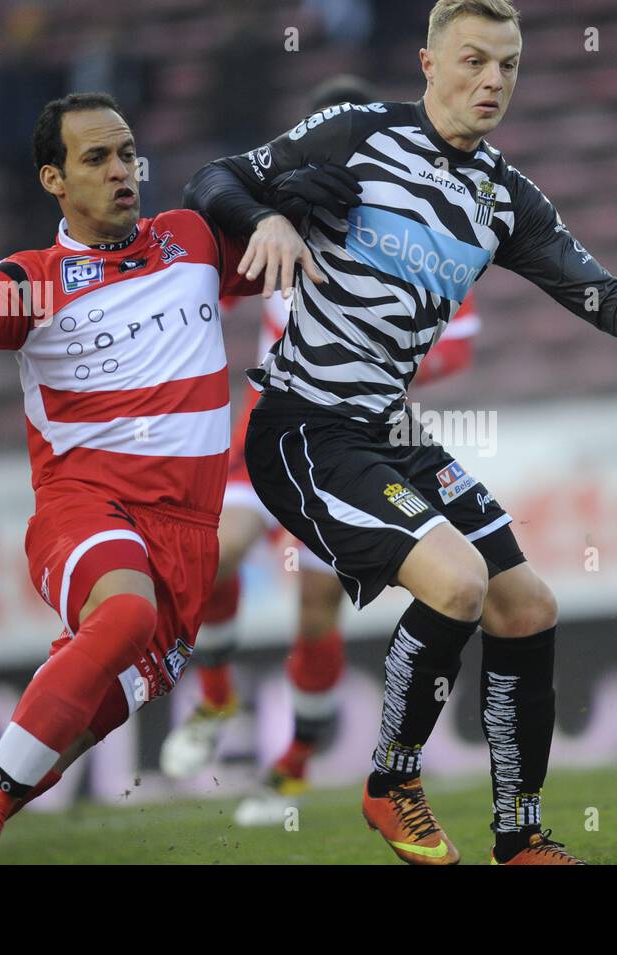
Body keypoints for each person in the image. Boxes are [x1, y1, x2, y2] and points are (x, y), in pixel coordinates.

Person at [183, 0, 617, 866]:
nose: (492, 81)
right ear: (429, 63)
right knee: (458, 583)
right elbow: (213, 177)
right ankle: (389, 783)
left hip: (388, 429)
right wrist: (265, 217)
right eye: (475, 60)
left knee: (528, 606)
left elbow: (604, 294)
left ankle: (518, 839)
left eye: (508, 66)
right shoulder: (357, 130)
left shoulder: (502, 196)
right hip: (302, 427)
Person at [0, 92, 355, 866]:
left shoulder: (189, 240)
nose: (122, 171)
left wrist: (305, 217)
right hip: (87, 513)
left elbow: (285, 259)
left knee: (43, 760)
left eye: (127, 153)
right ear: (54, 179)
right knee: (121, 618)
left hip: (183, 548)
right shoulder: (32, 278)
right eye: (96, 158)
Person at [159, 77, 481, 830]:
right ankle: (213, 695)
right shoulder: (283, 220)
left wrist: (376, 352)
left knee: (313, 603)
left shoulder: (421, 234)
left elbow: (458, 344)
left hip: (349, 440)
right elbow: (203, 276)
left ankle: (292, 768)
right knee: (209, 557)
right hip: (262, 435)